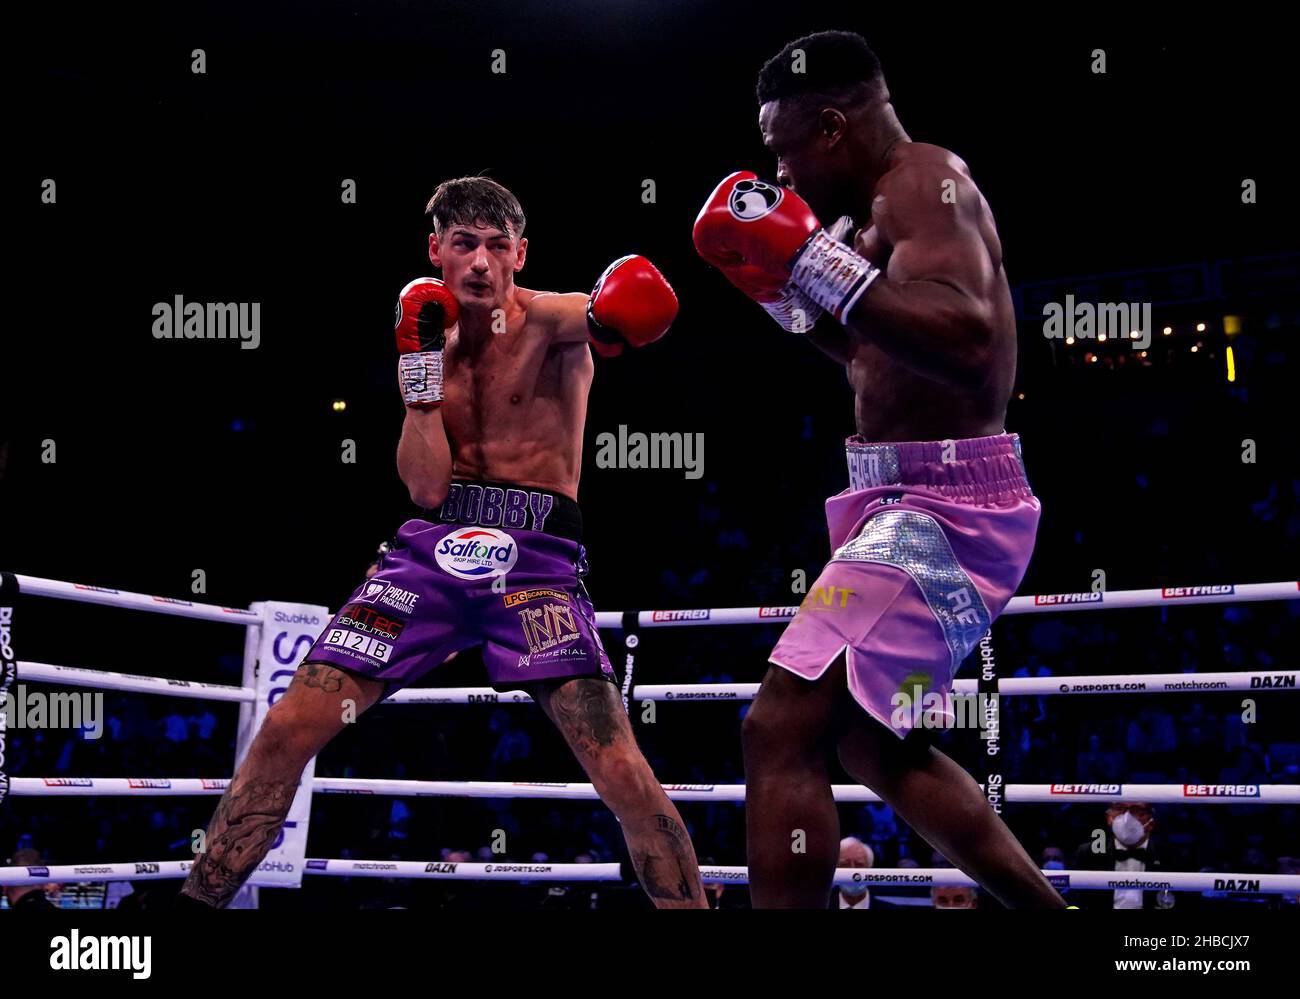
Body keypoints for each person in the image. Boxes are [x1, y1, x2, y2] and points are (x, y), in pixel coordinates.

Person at [180, 176, 706, 909]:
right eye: (464, 245)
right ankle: (195, 905)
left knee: (617, 763)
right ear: (437, 252)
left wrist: (619, 312)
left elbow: (627, 311)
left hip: (535, 559)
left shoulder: (556, 322)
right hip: (429, 550)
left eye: (498, 245)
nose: (483, 263)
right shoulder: (428, 333)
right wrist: (421, 388)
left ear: (521, 252)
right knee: (284, 729)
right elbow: (424, 490)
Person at [693, 30, 1064, 908]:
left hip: (942, 506)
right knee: (867, 741)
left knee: (778, 722)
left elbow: (967, 337)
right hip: (899, 495)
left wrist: (817, 260)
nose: (779, 179)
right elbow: (870, 352)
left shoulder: (927, 184)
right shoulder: (872, 211)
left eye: (783, 151)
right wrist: (782, 291)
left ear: (830, 125)